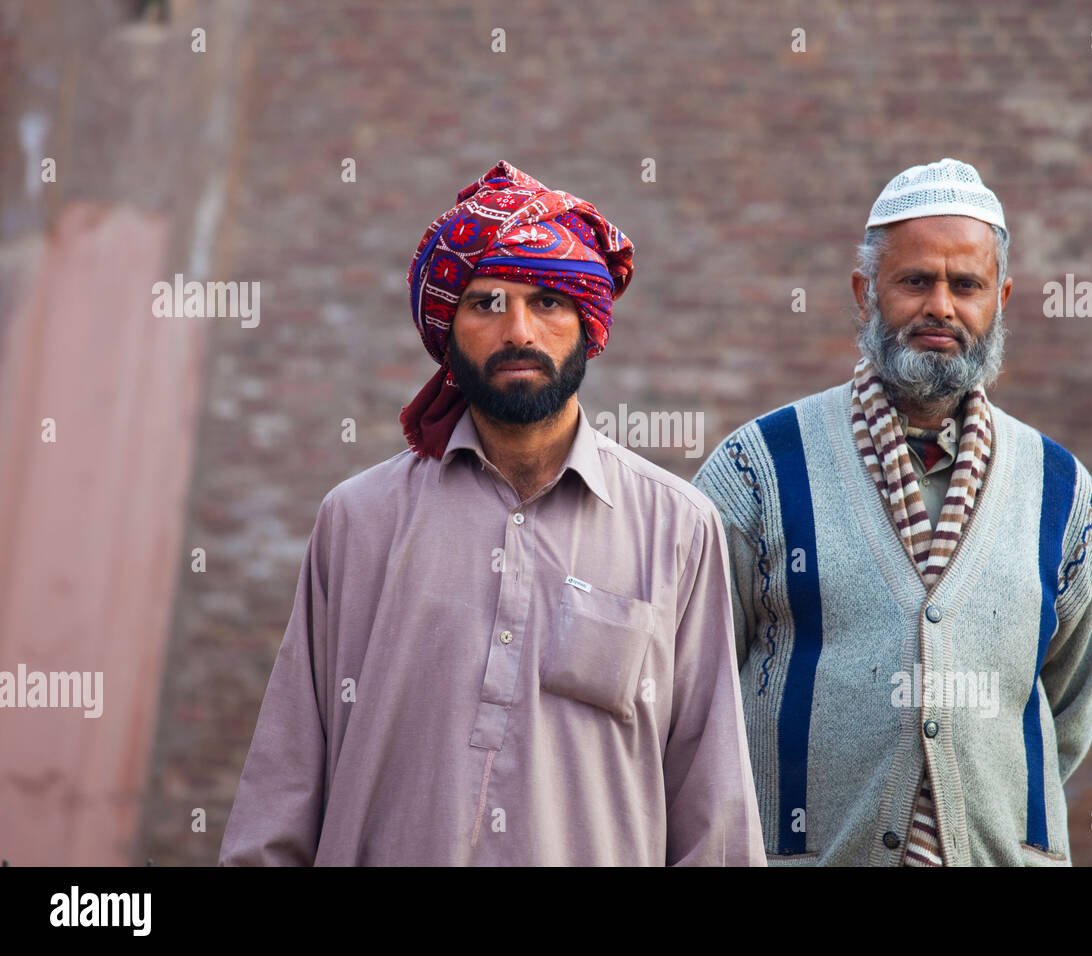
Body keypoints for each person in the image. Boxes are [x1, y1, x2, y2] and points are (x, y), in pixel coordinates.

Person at [220, 161, 765, 866]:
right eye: (485, 304)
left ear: (586, 322)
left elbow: (712, 803)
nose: (518, 331)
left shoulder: (678, 529)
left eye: (546, 301)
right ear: (446, 330)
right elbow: (283, 784)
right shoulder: (359, 522)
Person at [691, 158, 1092, 866]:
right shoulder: (757, 473)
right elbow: (696, 692)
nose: (941, 308)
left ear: (1001, 298)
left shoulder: (1067, 498)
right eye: (915, 281)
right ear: (866, 293)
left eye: (967, 286)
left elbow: (1067, 716)